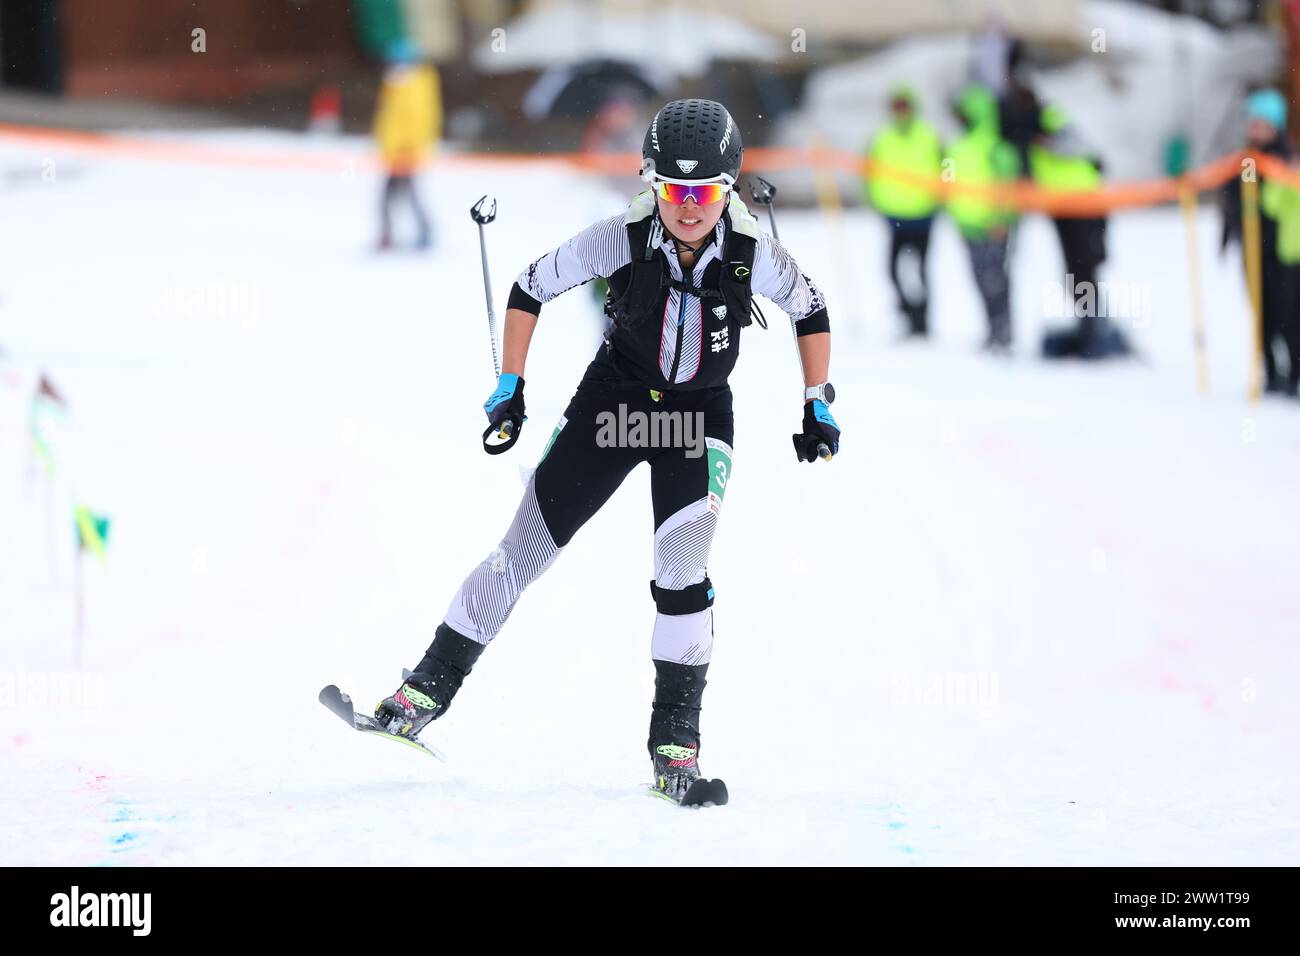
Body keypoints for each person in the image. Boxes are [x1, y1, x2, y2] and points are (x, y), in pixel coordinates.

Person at [370, 100, 840, 801]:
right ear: (651, 183)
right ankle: (421, 693)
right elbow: (531, 286)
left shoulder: (751, 252)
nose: (687, 209)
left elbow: (812, 309)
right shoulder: (620, 237)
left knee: (681, 570)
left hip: (695, 421)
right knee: (523, 551)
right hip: (614, 405)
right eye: (673, 192)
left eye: (704, 194)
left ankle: (676, 745)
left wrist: (817, 400)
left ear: (729, 189)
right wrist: (510, 384)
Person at [1032, 104, 1128, 359]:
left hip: (1084, 212)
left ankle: (1094, 330)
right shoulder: (1038, 138)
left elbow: (1076, 151)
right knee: (1077, 276)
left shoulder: (1052, 124)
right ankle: (1092, 326)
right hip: (1066, 213)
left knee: (1084, 273)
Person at [1221, 89, 1298, 395]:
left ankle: (1294, 375)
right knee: (1261, 314)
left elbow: (1279, 205)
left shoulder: (1286, 161)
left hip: (1287, 252)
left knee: (1290, 314)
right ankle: (1270, 373)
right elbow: (1232, 200)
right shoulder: (1243, 160)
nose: (1256, 130)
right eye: (1253, 123)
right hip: (1254, 249)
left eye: (1263, 124)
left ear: (1275, 126)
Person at [945, 84, 1019, 352]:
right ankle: (993, 329)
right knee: (980, 279)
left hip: (992, 227)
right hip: (967, 227)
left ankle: (1003, 330)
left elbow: (1007, 186)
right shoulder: (957, 146)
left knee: (995, 279)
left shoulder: (997, 147)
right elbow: (948, 180)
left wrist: (1002, 218)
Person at [865, 86, 943, 337]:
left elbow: (946, 167)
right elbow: (869, 171)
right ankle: (908, 312)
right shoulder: (881, 137)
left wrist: (941, 195)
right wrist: (875, 199)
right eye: (897, 107)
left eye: (904, 106)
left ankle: (922, 319)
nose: (901, 112)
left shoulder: (929, 135)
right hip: (894, 215)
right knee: (892, 270)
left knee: (921, 270)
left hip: (923, 214)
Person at [372, 39, 441, 250]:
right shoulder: (398, 85)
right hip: (396, 153)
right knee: (400, 194)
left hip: (405, 153)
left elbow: (420, 121)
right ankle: (395, 234)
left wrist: (408, 149)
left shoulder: (414, 87)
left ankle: (418, 233)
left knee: (401, 195)